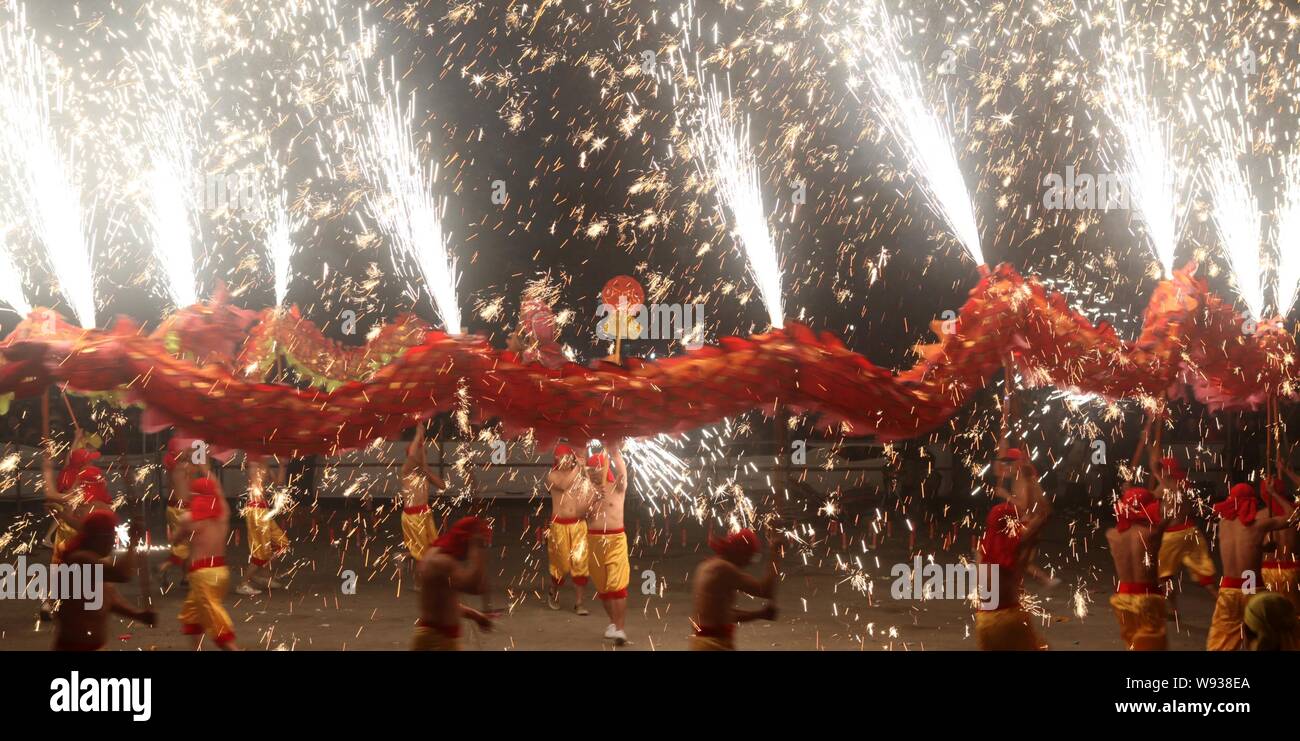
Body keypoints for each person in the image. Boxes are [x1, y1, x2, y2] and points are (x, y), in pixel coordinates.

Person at [1208, 482, 1298, 651]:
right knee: (1258, 635)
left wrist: (1261, 548)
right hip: (1250, 584)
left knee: (1221, 640)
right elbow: (1294, 517)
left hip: (1228, 587)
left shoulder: (1222, 525)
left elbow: (1242, 545)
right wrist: (1275, 495)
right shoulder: (1259, 525)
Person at [54, 510, 156, 650]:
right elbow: (122, 574)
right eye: (110, 536)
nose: (112, 542)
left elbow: (110, 599)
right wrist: (133, 541)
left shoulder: (93, 561)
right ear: (97, 537)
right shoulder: (80, 560)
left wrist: (138, 615)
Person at [974, 496, 1052, 650]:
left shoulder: (981, 551)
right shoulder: (1016, 549)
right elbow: (1043, 515)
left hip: (984, 621)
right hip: (1010, 618)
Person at [688, 529, 782, 650]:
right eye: (751, 557)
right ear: (740, 553)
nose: (749, 563)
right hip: (712, 645)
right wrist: (776, 552)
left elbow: (726, 615)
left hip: (704, 643)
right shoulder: (723, 569)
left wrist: (760, 614)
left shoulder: (706, 566)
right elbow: (765, 590)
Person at [173, 475, 238, 650]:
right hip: (221, 573)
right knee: (192, 615)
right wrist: (206, 470)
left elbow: (175, 541)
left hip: (202, 576)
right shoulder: (224, 513)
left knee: (218, 626)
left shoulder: (189, 518)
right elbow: (219, 493)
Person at [412, 516, 494, 650]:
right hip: (437, 641)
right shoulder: (442, 562)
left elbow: (444, 603)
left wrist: (475, 616)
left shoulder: (435, 554)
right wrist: (477, 549)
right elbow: (475, 586)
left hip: (436, 638)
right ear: (466, 542)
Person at [1150, 454, 1217, 615]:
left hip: (1174, 535)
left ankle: (1173, 610)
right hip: (1192, 532)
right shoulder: (1183, 484)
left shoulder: (1166, 484)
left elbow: (1153, 468)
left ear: (1167, 470)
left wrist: (1148, 440)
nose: (1159, 471)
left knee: (1164, 575)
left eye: (1162, 468)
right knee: (1203, 575)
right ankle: (1224, 601)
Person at [1105, 487, 1170, 650]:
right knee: (1153, 645)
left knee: (1132, 644)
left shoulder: (1111, 534)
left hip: (1122, 597)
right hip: (1148, 597)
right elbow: (1169, 513)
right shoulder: (1152, 533)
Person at [992, 446, 1058, 588]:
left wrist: (1005, 495)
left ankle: (1040, 582)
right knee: (1020, 561)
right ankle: (1045, 581)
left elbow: (1022, 506)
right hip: (1031, 523)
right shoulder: (1024, 476)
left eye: (1009, 463)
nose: (1005, 466)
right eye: (1006, 462)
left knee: (1011, 559)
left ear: (1017, 463)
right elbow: (997, 468)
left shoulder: (1020, 479)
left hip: (1027, 525)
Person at [584, 441, 630, 645]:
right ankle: (613, 623)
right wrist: (593, 500)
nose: (594, 473)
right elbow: (583, 516)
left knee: (617, 586)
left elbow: (620, 465)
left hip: (616, 539)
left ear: (604, 468)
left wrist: (613, 449)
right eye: (591, 470)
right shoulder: (586, 491)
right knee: (603, 589)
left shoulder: (619, 485)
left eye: (597, 469)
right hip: (593, 541)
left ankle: (620, 629)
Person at [544, 441, 593, 614]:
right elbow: (564, 485)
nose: (567, 460)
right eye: (563, 457)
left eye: (569, 457)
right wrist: (579, 467)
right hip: (559, 526)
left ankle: (579, 603)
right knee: (561, 564)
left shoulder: (579, 473)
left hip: (578, 525)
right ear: (557, 458)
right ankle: (553, 591)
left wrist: (585, 469)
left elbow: (590, 490)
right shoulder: (552, 476)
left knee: (580, 564)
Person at [236, 454, 290, 595]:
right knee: (261, 553)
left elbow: (278, 484)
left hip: (264, 510)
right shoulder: (254, 461)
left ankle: (264, 576)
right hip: (256, 511)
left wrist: (283, 466)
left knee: (282, 544)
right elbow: (254, 477)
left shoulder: (265, 464)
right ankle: (243, 583)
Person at [399, 424, 447, 563]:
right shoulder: (406, 471)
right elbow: (413, 455)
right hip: (413, 516)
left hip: (425, 514)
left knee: (432, 548)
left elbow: (442, 486)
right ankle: (421, 579)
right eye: (422, 453)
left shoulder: (424, 473)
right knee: (423, 556)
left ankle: (406, 556)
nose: (422, 455)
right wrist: (419, 434)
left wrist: (426, 468)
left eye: (424, 454)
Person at [1262, 463, 1299, 612]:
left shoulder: (1258, 517)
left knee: (1273, 616)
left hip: (1266, 572)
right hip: (1290, 570)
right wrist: (1287, 471)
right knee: (1293, 614)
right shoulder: (1295, 512)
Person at [159, 447, 194, 583]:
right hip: (182, 510)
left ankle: (185, 576)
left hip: (171, 508)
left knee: (181, 542)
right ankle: (163, 567)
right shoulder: (185, 467)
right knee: (185, 544)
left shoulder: (172, 468)